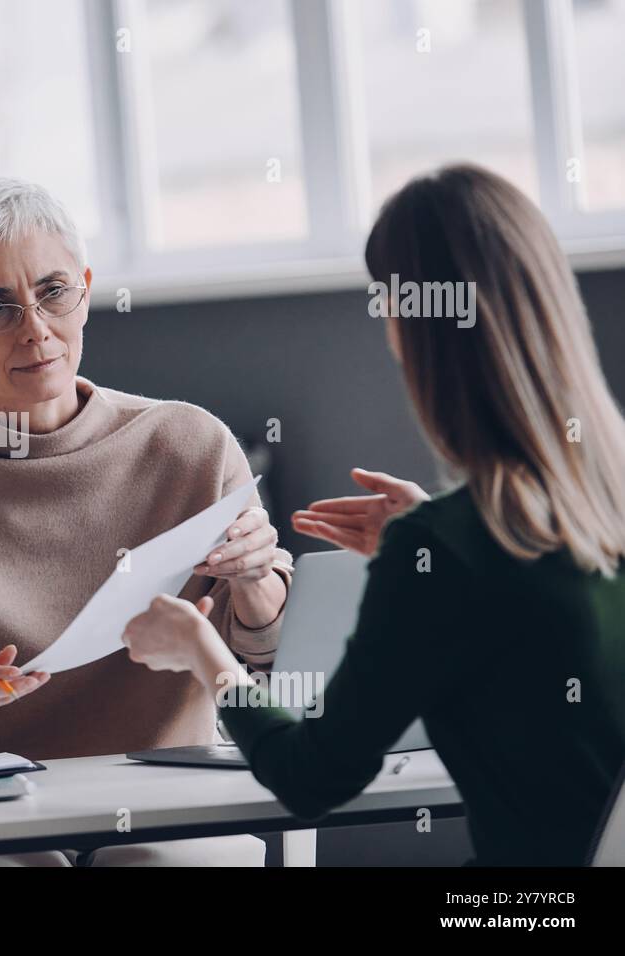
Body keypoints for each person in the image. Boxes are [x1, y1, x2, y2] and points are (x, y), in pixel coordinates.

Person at [121, 164, 625, 865]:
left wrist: (205, 657)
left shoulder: (446, 549)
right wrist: (432, 539)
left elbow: (311, 777)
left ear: (422, 334)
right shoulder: (588, 511)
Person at [0, 178, 292, 865]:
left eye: (53, 292)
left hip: (170, 802)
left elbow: (268, 672)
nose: (36, 329)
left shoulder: (191, 445)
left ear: (84, 287)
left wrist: (259, 579)